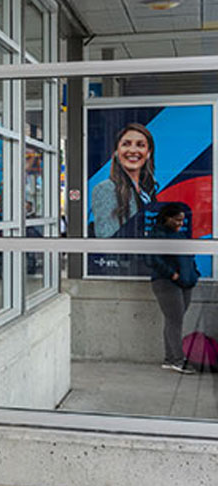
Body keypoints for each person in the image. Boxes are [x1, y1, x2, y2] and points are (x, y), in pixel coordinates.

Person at [146, 202, 200, 375]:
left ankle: (170, 359)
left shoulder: (179, 235)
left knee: (173, 320)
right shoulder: (157, 234)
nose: (180, 224)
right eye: (177, 220)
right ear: (167, 218)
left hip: (185, 281)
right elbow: (152, 259)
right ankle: (178, 360)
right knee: (175, 320)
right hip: (166, 282)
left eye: (182, 220)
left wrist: (194, 273)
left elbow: (188, 256)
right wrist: (172, 274)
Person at [91, 123, 157, 238]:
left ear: (148, 153)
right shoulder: (105, 189)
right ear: (116, 151)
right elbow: (107, 238)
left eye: (140, 145)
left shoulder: (146, 190)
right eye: (126, 144)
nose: (133, 150)